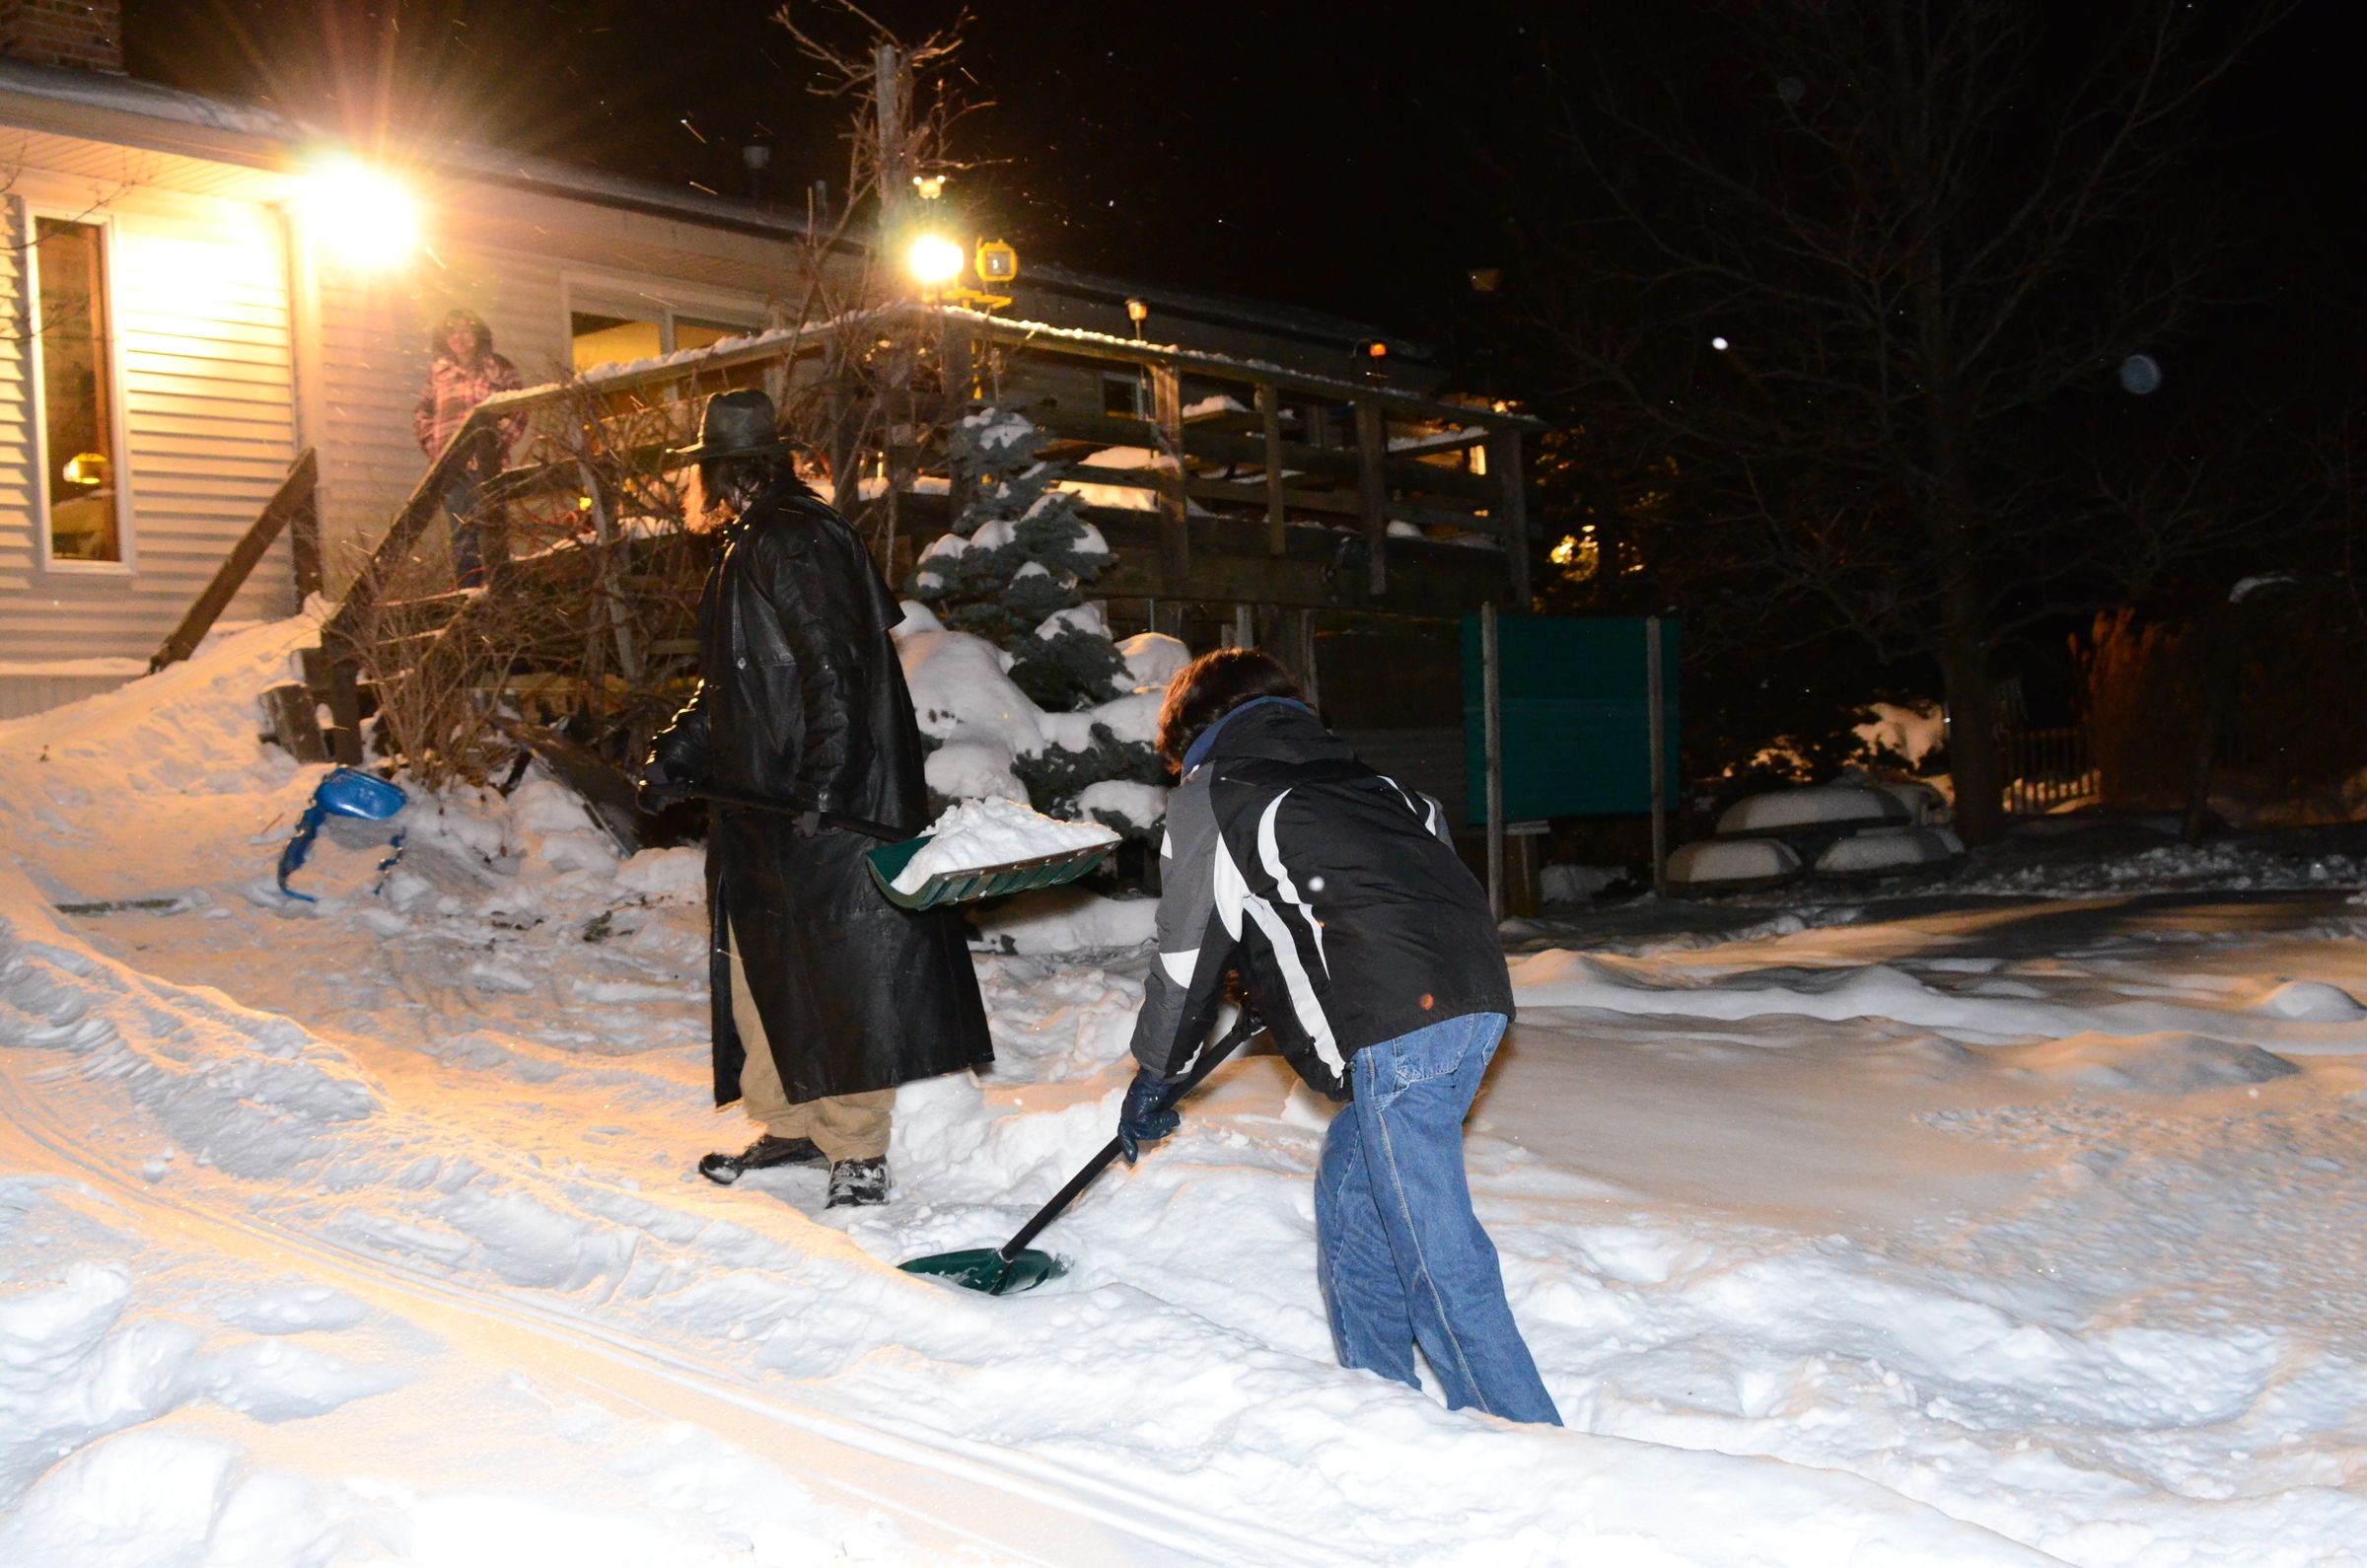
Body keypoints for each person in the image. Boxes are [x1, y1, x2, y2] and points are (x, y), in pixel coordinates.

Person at [1116, 648, 1561, 1424]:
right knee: (1354, 1190)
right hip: (1476, 998)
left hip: (1402, 1027)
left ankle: (1520, 1432)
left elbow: (1187, 952)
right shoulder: (1381, 788)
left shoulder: (1216, 792)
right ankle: (1378, 1396)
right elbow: (1390, 901)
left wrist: (1156, 1069)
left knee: (1434, 1248)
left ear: (1193, 731)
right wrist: (1273, 980)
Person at [640, 390, 993, 1208]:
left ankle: (856, 1148)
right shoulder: (754, 539)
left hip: (826, 807)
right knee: (768, 965)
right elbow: (739, 680)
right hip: (767, 801)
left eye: (692, 475)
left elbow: (834, 667)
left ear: (717, 473)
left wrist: (827, 784)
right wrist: (681, 749)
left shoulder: (794, 539)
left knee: (843, 972)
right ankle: (794, 1123)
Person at [411, 308, 525, 588]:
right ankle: (469, 591)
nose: (459, 337)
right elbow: (422, 413)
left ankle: (497, 588)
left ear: (477, 334)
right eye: (453, 332)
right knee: (461, 532)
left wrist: (499, 441)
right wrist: (434, 446)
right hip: (452, 468)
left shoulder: (497, 367)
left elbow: (518, 406)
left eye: (465, 330)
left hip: (489, 465)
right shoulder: (439, 374)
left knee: (491, 527)